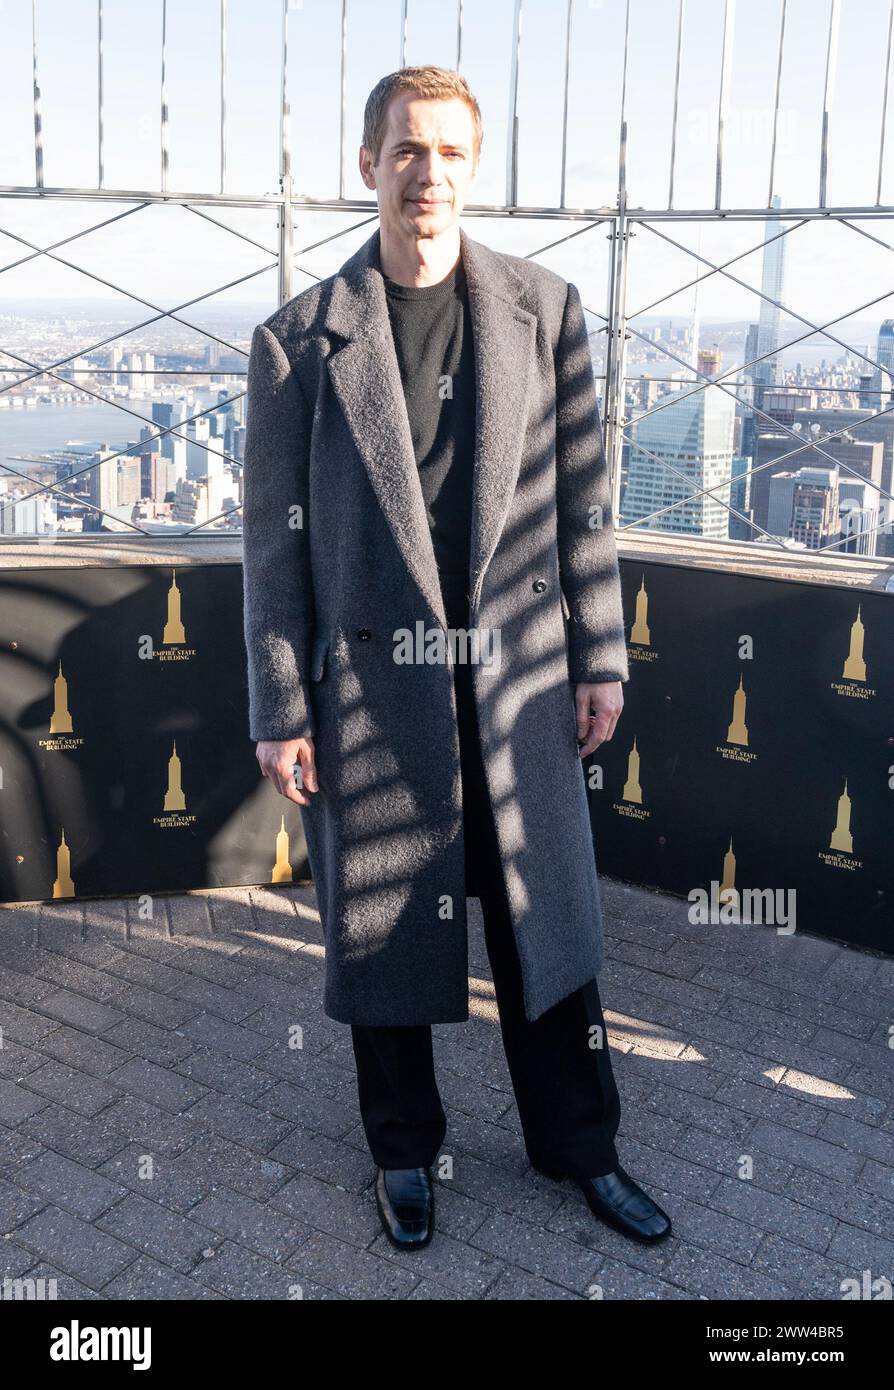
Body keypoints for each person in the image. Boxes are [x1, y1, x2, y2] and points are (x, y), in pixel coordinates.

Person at [242, 65, 671, 1252]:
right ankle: (403, 1152)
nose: (427, 173)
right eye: (405, 149)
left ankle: (583, 1148)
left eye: (448, 153)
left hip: (518, 677)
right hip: (376, 691)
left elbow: (587, 503)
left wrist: (604, 657)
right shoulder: (296, 344)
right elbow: (271, 553)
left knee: (550, 928)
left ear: (472, 170)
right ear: (368, 163)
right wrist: (281, 704)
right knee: (383, 935)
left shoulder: (547, 308)